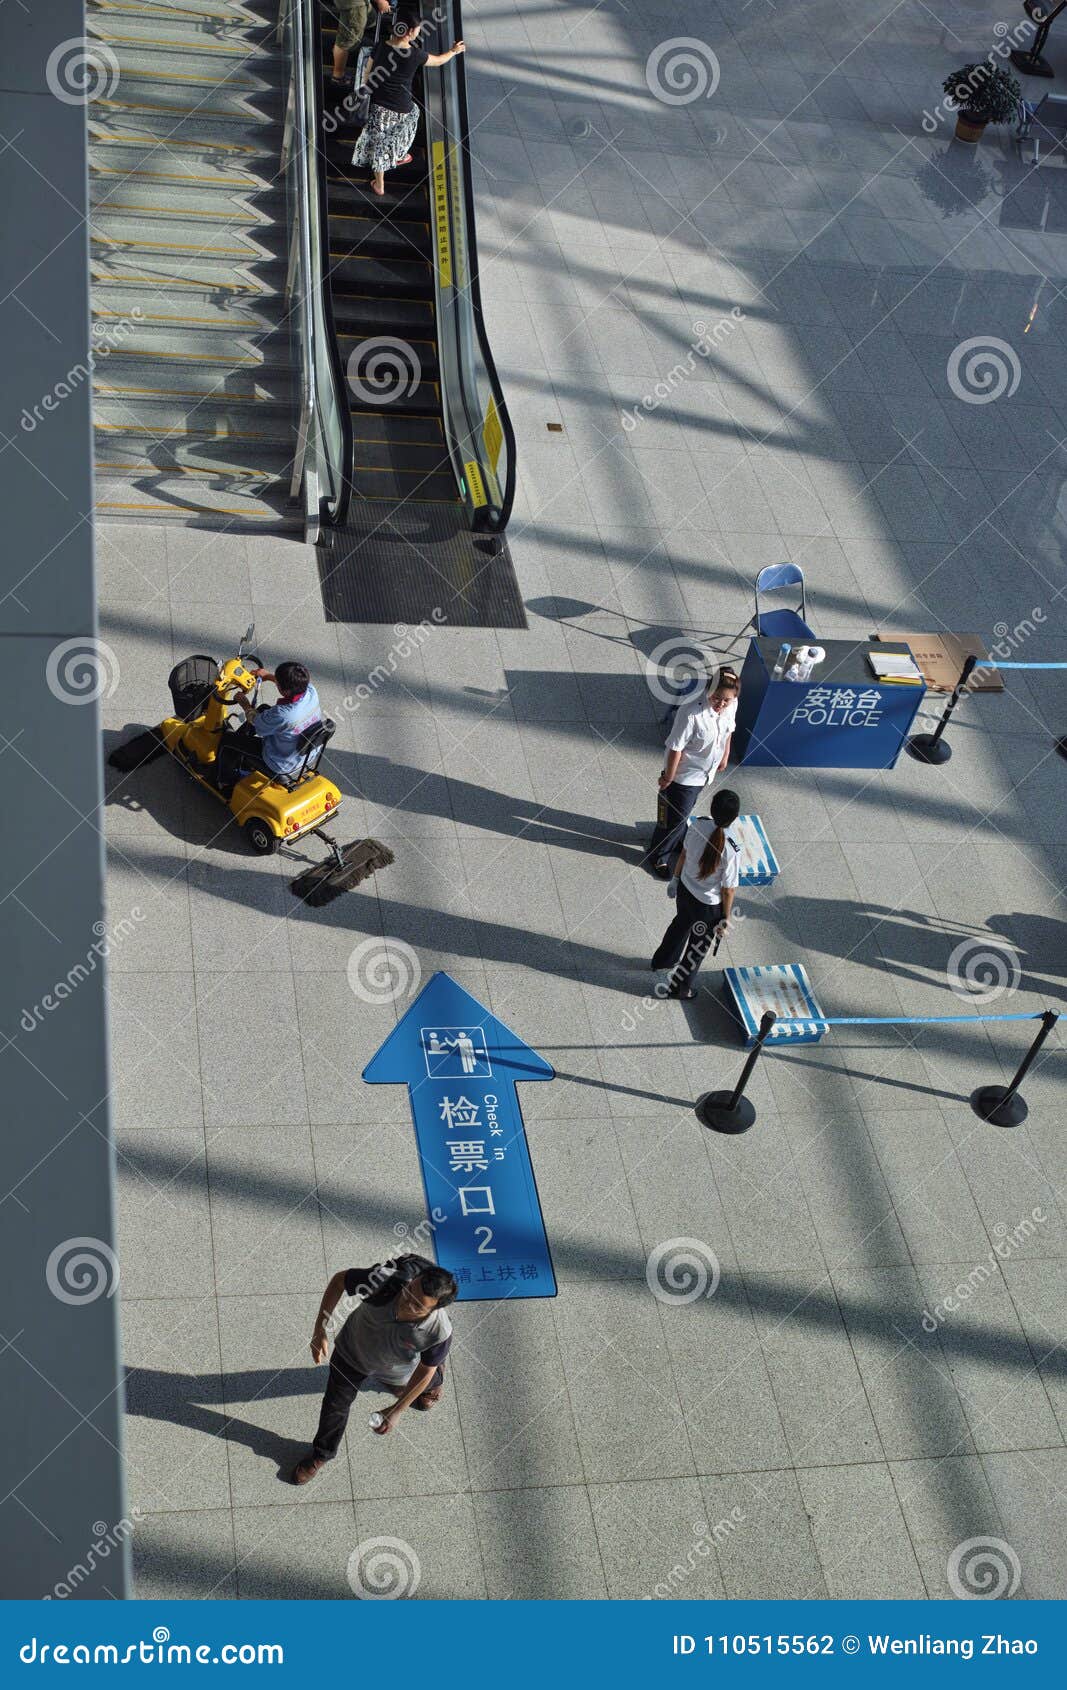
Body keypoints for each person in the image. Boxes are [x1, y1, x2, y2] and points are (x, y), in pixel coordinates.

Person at [291, 1255, 457, 1485]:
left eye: (417, 1305)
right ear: (413, 1279)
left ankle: (434, 1383)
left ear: (435, 1309)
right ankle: (321, 1455)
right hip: (352, 1353)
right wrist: (320, 1329)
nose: (406, 1301)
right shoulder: (383, 1281)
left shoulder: (439, 1331)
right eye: (409, 1290)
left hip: (398, 1369)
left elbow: (424, 1371)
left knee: (426, 1378)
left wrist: (397, 1410)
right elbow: (340, 1281)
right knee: (335, 1405)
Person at [352, 16, 465, 197]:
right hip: (402, 107)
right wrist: (453, 51)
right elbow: (437, 61)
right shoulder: (415, 54)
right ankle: (398, 155)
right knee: (412, 118)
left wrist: (366, 91)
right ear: (410, 32)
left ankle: (380, 183)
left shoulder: (381, 45)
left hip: (378, 104)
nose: (419, 32)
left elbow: (367, 70)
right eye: (418, 29)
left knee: (379, 143)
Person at [646, 666, 740, 878]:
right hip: (683, 777)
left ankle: (674, 838)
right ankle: (658, 855)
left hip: (704, 775)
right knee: (672, 820)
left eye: (727, 700)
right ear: (709, 690)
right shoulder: (691, 713)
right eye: (717, 698)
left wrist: (724, 756)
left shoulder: (731, 705)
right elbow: (675, 747)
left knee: (680, 816)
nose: (721, 704)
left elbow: (729, 730)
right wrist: (668, 777)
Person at [650, 787, 741, 999]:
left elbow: (684, 853)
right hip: (708, 907)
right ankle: (680, 988)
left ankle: (662, 961)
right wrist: (726, 918)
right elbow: (728, 889)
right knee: (696, 949)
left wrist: (675, 878)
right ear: (734, 818)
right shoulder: (731, 847)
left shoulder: (698, 824)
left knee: (679, 925)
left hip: (685, 891)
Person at [216, 660, 321, 793]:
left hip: (280, 763)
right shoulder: (311, 691)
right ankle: (242, 754)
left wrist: (245, 704)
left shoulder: (284, 714)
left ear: (285, 690)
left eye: (278, 682)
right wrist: (268, 676)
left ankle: (224, 782)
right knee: (264, 708)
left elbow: (255, 721)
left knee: (228, 740)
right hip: (304, 754)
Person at [330, 0, 393, 91]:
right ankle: (338, 77)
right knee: (346, 40)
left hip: (360, 3)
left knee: (371, 18)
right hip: (354, 4)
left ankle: (356, 38)